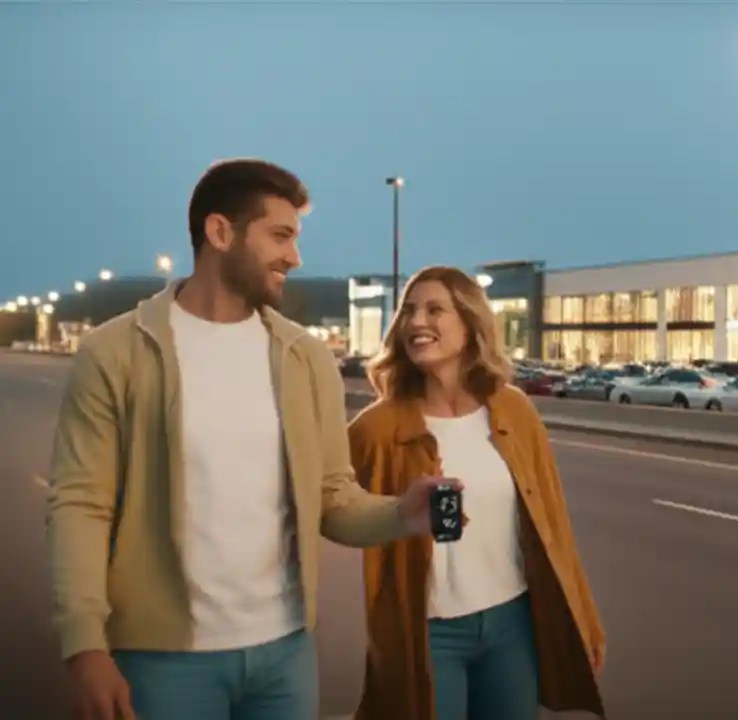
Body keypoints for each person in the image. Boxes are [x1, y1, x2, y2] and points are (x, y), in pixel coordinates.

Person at [47, 158, 445, 720]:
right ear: (220, 232)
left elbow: (333, 498)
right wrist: (85, 645)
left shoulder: (306, 358)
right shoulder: (116, 353)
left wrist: (402, 515)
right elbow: (79, 506)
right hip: (162, 661)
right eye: (280, 235)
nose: (295, 257)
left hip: (285, 656)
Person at [348, 266, 607, 720]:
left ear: (469, 325)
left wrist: (582, 617)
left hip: (512, 624)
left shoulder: (513, 410)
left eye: (434, 310)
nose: (416, 322)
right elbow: (333, 506)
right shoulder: (377, 427)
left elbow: (554, 525)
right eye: (408, 311)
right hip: (427, 633)